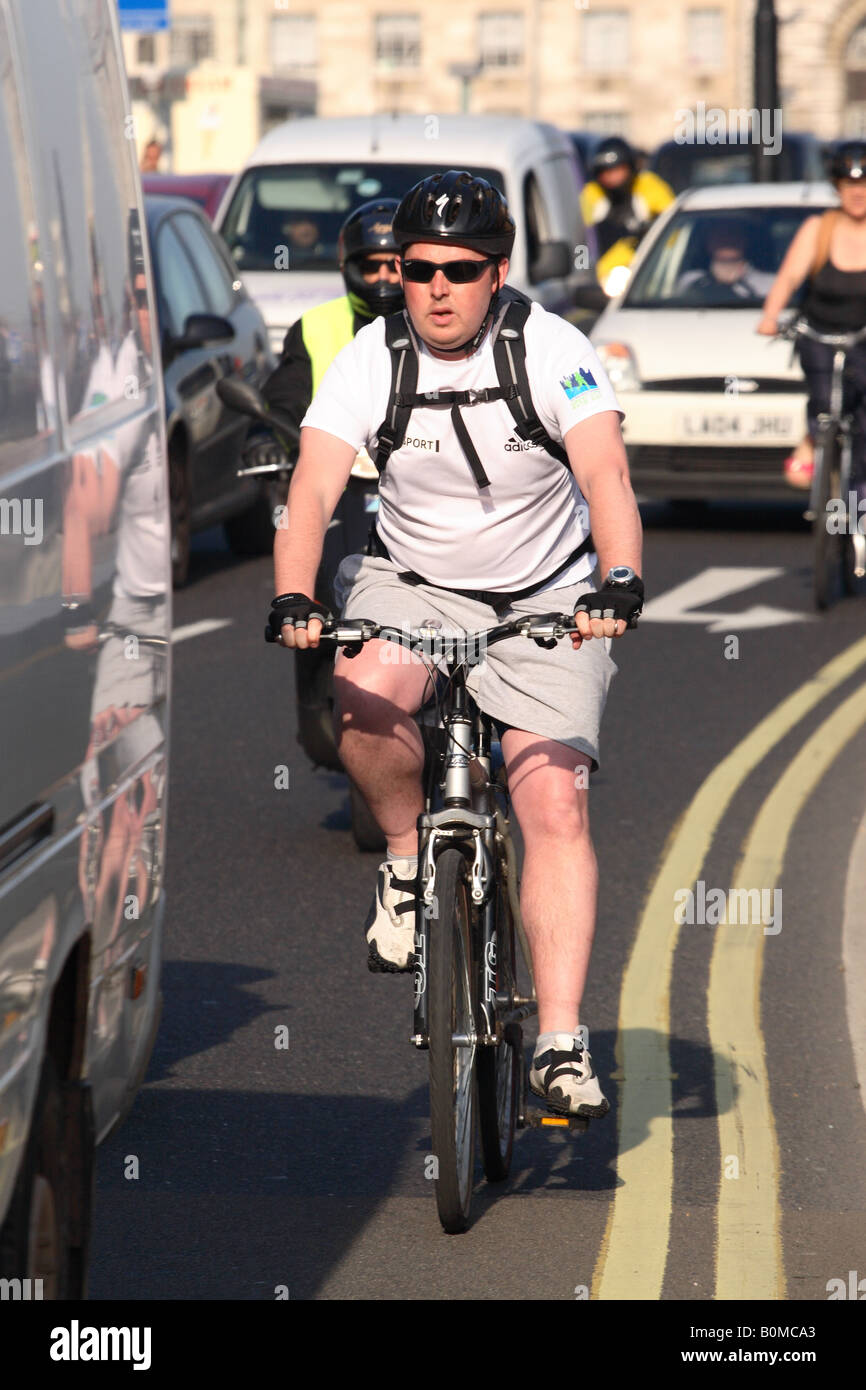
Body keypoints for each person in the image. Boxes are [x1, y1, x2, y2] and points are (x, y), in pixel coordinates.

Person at [268, 169, 644, 1119]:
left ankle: (559, 1039)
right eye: (418, 269)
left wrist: (619, 580)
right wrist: (294, 592)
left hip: (548, 594)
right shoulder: (369, 356)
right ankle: (404, 863)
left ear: (499, 272)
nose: (434, 288)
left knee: (551, 797)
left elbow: (603, 472)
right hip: (415, 585)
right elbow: (312, 490)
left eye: (459, 270)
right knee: (358, 701)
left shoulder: (552, 349)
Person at [757, 141, 866, 499]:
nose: (857, 193)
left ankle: (859, 495)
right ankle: (814, 439)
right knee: (823, 401)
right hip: (820, 332)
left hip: (863, 338)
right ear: (837, 188)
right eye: (849, 186)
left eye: (864, 185)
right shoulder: (818, 229)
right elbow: (788, 278)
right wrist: (770, 316)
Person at [262, 199, 403, 432]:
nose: (383, 276)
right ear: (349, 267)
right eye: (370, 267)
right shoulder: (314, 325)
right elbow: (285, 397)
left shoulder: (434, 321)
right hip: (330, 458)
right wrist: (267, 438)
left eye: (394, 266)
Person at [580, 136, 674, 290]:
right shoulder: (591, 193)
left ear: (630, 167)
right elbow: (580, 238)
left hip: (645, 272)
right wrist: (583, 270)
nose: (611, 177)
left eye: (617, 169)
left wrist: (650, 231)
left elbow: (671, 223)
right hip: (603, 278)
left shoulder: (649, 185)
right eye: (605, 171)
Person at [676, 219, 775, 302]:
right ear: (707, 241)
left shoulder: (771, 284)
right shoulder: (690, 281)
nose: (726, 238)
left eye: (733, 233)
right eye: (719, 233)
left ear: (746, 240)